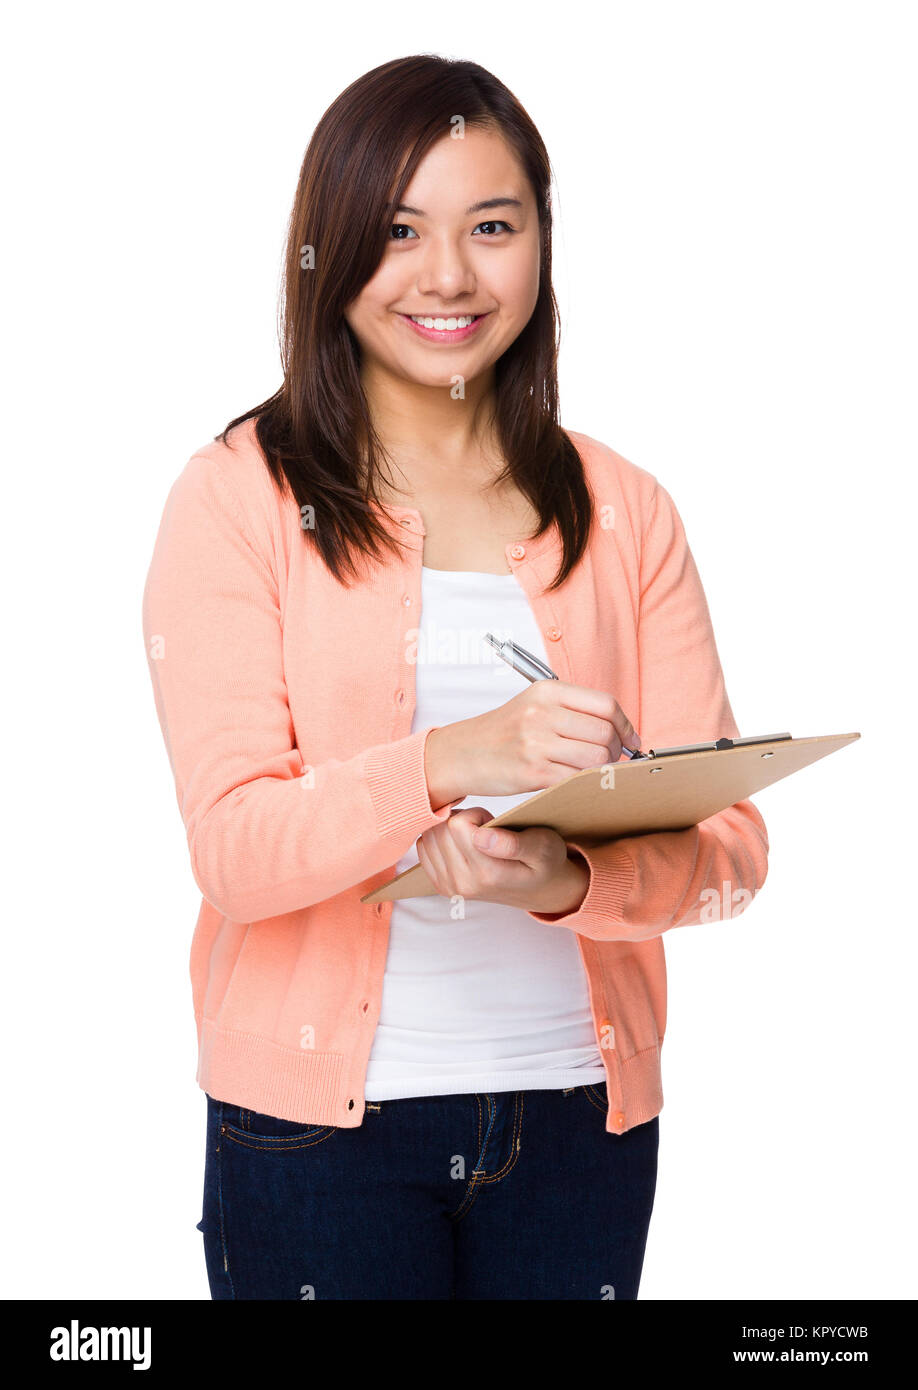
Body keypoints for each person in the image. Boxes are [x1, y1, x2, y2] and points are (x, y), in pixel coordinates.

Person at [142, 53, 769, 1301]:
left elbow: (731, 853)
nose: (448, 276)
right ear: (328, 250)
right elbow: (234, 852)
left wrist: (565, 878)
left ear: (542, 239)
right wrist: (454, 758)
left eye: (492, 226)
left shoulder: (625, 509)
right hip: (317, 1138)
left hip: (579, 1121)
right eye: (398, 230)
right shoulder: (238, 497)